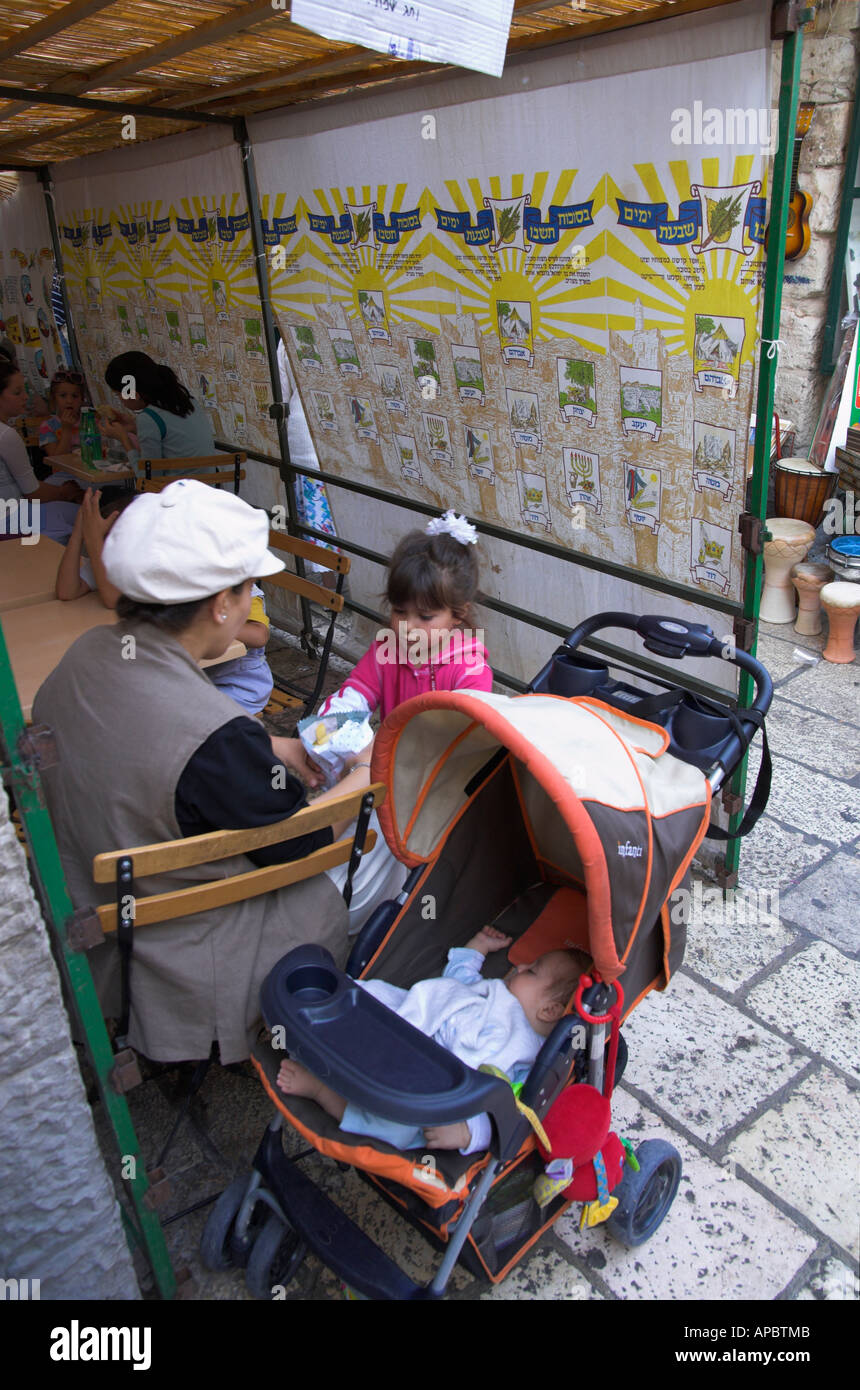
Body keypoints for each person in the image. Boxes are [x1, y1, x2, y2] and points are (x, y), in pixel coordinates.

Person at [33, 479, 374, 1065]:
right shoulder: (219, 740)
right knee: (365, 866)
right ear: (221, 602)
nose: (248, 604)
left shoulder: (86, 654)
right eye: (249, 590)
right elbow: (309, 842)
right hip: (182, 953)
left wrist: (271, 746)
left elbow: (149, 741)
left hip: (88, 905)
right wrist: (366, 770)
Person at [277, 926, 589, 1154]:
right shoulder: (490, 990)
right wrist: (478, 945)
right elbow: (458, 979)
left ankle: (322, 1091)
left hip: (430, 1085)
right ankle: (324, 1022)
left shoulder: (528, 1058)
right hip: (408, 1029)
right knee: (371, 998)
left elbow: (509, 1111)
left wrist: (466, 1133)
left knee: (396, 1128)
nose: (519, 966)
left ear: (549, 1011)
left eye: (532, 971)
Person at [320, 511, 493, 720]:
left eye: (425, 617)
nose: (408, 626)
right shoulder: (386, 652)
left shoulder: (470, 670)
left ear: (458, 613)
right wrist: (334, 721)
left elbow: (465, 735)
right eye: (399, 611)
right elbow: (356, 694)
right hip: (387, 752)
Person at [0, 359, 82, 542]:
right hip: (11, 520)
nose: (26, 397)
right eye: (17, 392)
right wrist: (66, 492)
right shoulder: (6, 436)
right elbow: (32, 491)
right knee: (88, 515)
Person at [103, 351, 215, 466]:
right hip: (208, 482)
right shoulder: (188, 402)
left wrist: (124, 439)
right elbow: (171, 442)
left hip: (176, 483)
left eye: (118, 394)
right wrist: (134, 427)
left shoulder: (149, 417)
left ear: (133, 394)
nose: (120, 400)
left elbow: (147, 476)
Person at [206, 581, 274, 715]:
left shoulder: (244, 591)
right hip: (202, 679)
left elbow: (259, 636)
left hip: (240, 685)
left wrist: (211, 623)